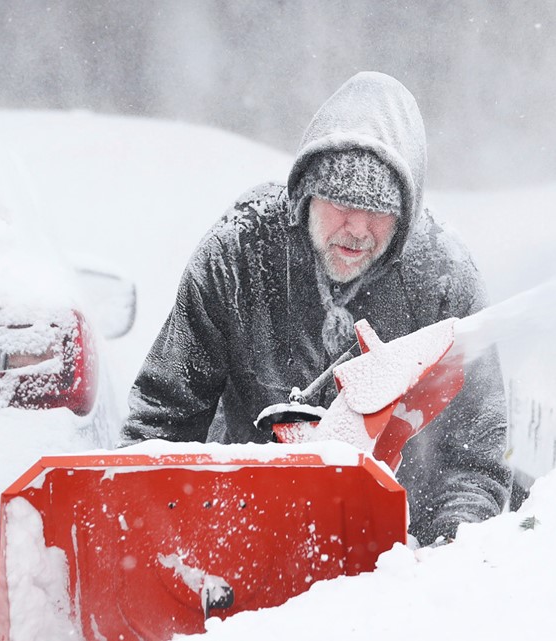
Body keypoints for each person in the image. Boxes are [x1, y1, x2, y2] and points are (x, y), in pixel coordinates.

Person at [123, 71, 510, 546]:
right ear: (306, 194)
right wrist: (154, 542)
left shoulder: (443, 283)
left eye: (380, 210)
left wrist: (440, 558)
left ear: (407, 214)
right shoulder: (237, 257)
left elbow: (476, 461)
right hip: (243, 533)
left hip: (392, 555)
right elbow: (163, 418)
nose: (358, 228)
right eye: (341, 204)